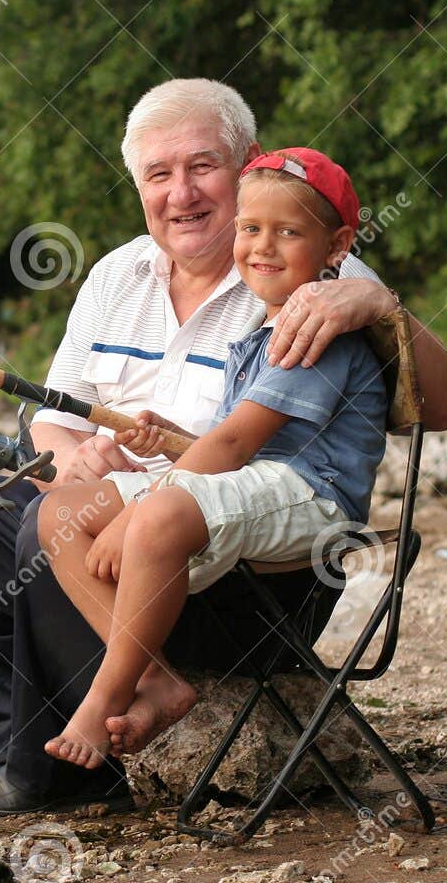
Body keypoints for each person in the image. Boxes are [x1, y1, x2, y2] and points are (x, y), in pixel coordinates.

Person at [0, 78, 447, 816]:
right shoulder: (115, 273)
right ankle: (8, 745)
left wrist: (384, 305)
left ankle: (48, 780)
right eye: (159, 175)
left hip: (248, 572)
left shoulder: (310, 268)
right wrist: (70, 458)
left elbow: (441, 407)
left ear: (251, 164)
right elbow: (49, 415)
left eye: (202, 166)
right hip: (122, 527)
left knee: (58, 522)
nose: (182, 193)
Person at [39, 147, 387, 769]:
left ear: (336, 246)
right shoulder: (263, 329)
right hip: (257, 482)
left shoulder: (316, 331)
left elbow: (232, 445)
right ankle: (156, 680)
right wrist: (172, 438)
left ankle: (106, 696)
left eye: (288, 233)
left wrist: (138, 510)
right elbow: (227, 440)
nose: (263, 247)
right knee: (60, 512)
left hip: (314, 497)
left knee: (160, 515)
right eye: (251, 229)